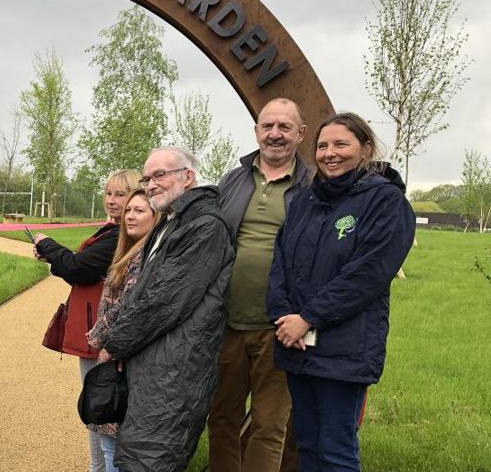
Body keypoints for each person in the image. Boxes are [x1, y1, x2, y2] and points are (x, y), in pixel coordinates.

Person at [267, 113, 415, 472]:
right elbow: (281, 263)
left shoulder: (386, 203)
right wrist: (284, 318)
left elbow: (367, 275)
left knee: (336, 449)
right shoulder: (305, 201)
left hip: (344, 347)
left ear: (365, 148)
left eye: (340, 144)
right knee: (308, 444)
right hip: (297, 344)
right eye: (322, 146)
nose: (329, 153)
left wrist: (308, 318)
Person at [100, 147, 235, 472]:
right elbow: (143, 291)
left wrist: (115, 344)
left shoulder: (203, 227)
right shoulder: (172, 222)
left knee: (150, 460)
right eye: (147, 177)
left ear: (188, 177)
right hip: (154, 365)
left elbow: (160, 302)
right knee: (136, 456)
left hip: (174, 373)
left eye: (159, 175)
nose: (150, 184)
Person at [209, 97, 312, 472]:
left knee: (269, 425)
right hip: (228, 322)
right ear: (256, 131)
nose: (275, 134)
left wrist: (306, 314)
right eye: (268, 126)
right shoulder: (232, 181)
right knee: (221, 419)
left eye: (285, 127)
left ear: (300, 134)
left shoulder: (314, 186)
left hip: (281, 327)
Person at [32, 168, 140, 472]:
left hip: (101, 331)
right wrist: (54, 258)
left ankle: (99, 468)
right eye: (108, 193)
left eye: (121, 194)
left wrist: (49, 245)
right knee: (98, 403)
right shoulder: (111, 231)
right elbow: (81, 271)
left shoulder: (120, 235)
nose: (112, 200)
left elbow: (81, 268)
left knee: (99, 405)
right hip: (92, 324)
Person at [85, 188, 156, 472]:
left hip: (121, 355)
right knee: (109, 440)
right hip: (116, 351)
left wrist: (98, 337)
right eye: (129, 210)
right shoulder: (128, 251)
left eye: (139, 211)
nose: (130, 215)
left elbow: (128, 305)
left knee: (114, 444)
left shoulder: (145, 256)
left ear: (156, 217)